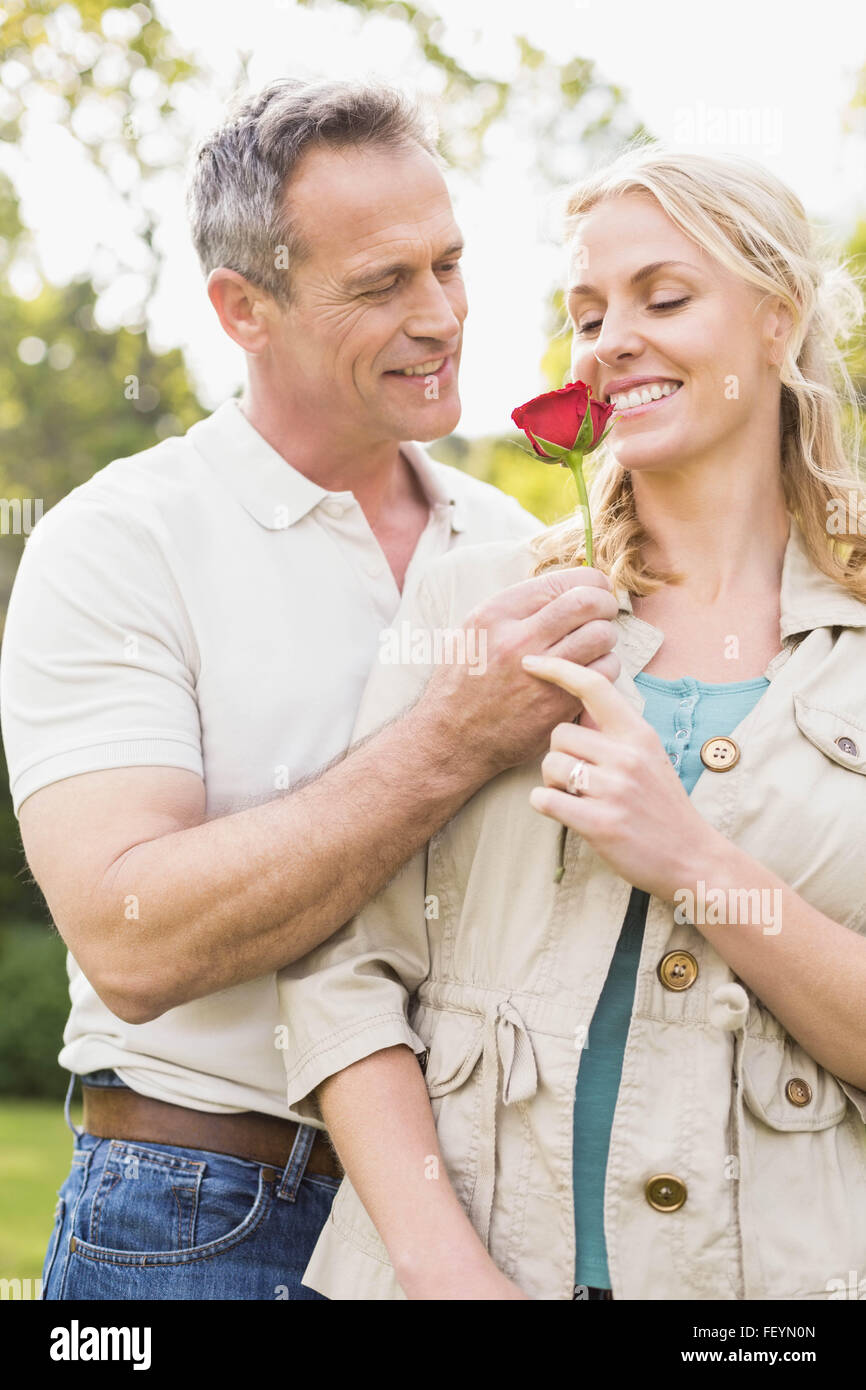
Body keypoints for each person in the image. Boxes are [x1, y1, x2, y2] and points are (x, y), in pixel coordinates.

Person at [0, 79, 620, 1300]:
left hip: (484, 1221)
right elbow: (133, 938)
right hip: (199, 1217)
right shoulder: (120, 541)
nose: (440, 314)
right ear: (244, 307)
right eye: (382, 284)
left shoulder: (513, 542)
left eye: (448, 263)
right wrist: (451, 736)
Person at [278, 142, 866, 1301]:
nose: (611, 341)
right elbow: (340, 963)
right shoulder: (479, 604)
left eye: (663, 297)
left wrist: (689, 857)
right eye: (586, 313)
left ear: (774, 318)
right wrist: (443, 1272)